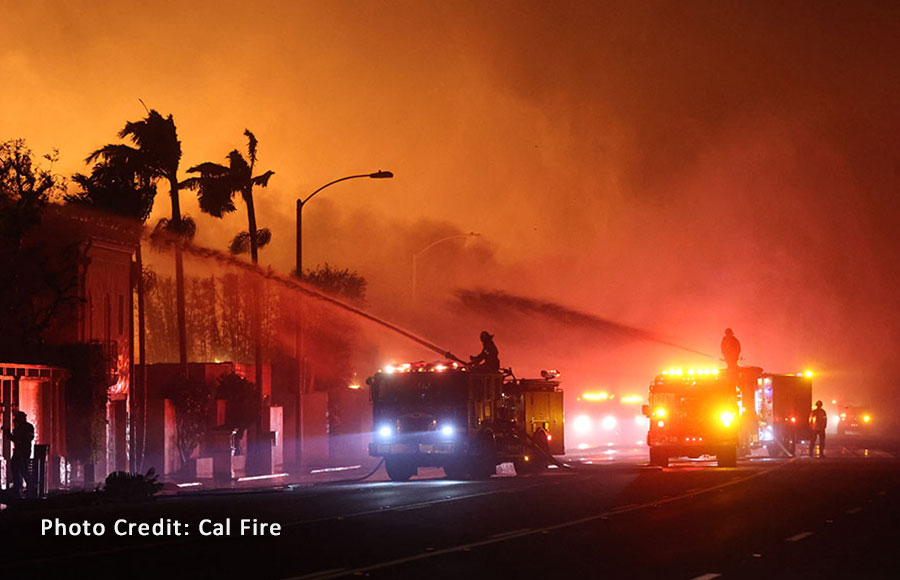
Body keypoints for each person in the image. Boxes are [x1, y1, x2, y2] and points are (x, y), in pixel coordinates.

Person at [4, 411, 35, 496]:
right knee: (16, 468)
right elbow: (17, 439)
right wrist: (10, 435)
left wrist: (11, 436)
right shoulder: (22, 427)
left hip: (23, 451)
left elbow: (26, 439)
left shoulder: (27, 427)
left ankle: (29, 488)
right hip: (19, 451)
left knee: (23, 469)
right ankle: (19, 487)